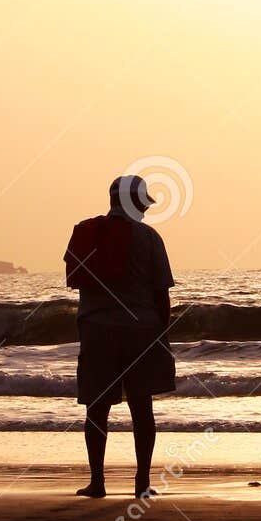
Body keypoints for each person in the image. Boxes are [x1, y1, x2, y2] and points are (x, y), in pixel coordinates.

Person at [65, 175, 176, 499]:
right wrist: (162, 335)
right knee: (141, 407)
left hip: (96, 329)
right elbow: (161, 293)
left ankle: (97, 482)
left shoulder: (88, 233)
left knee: (97, 407)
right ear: (137, 202)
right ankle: (141, 482)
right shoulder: (149, 238)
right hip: (140, 329)